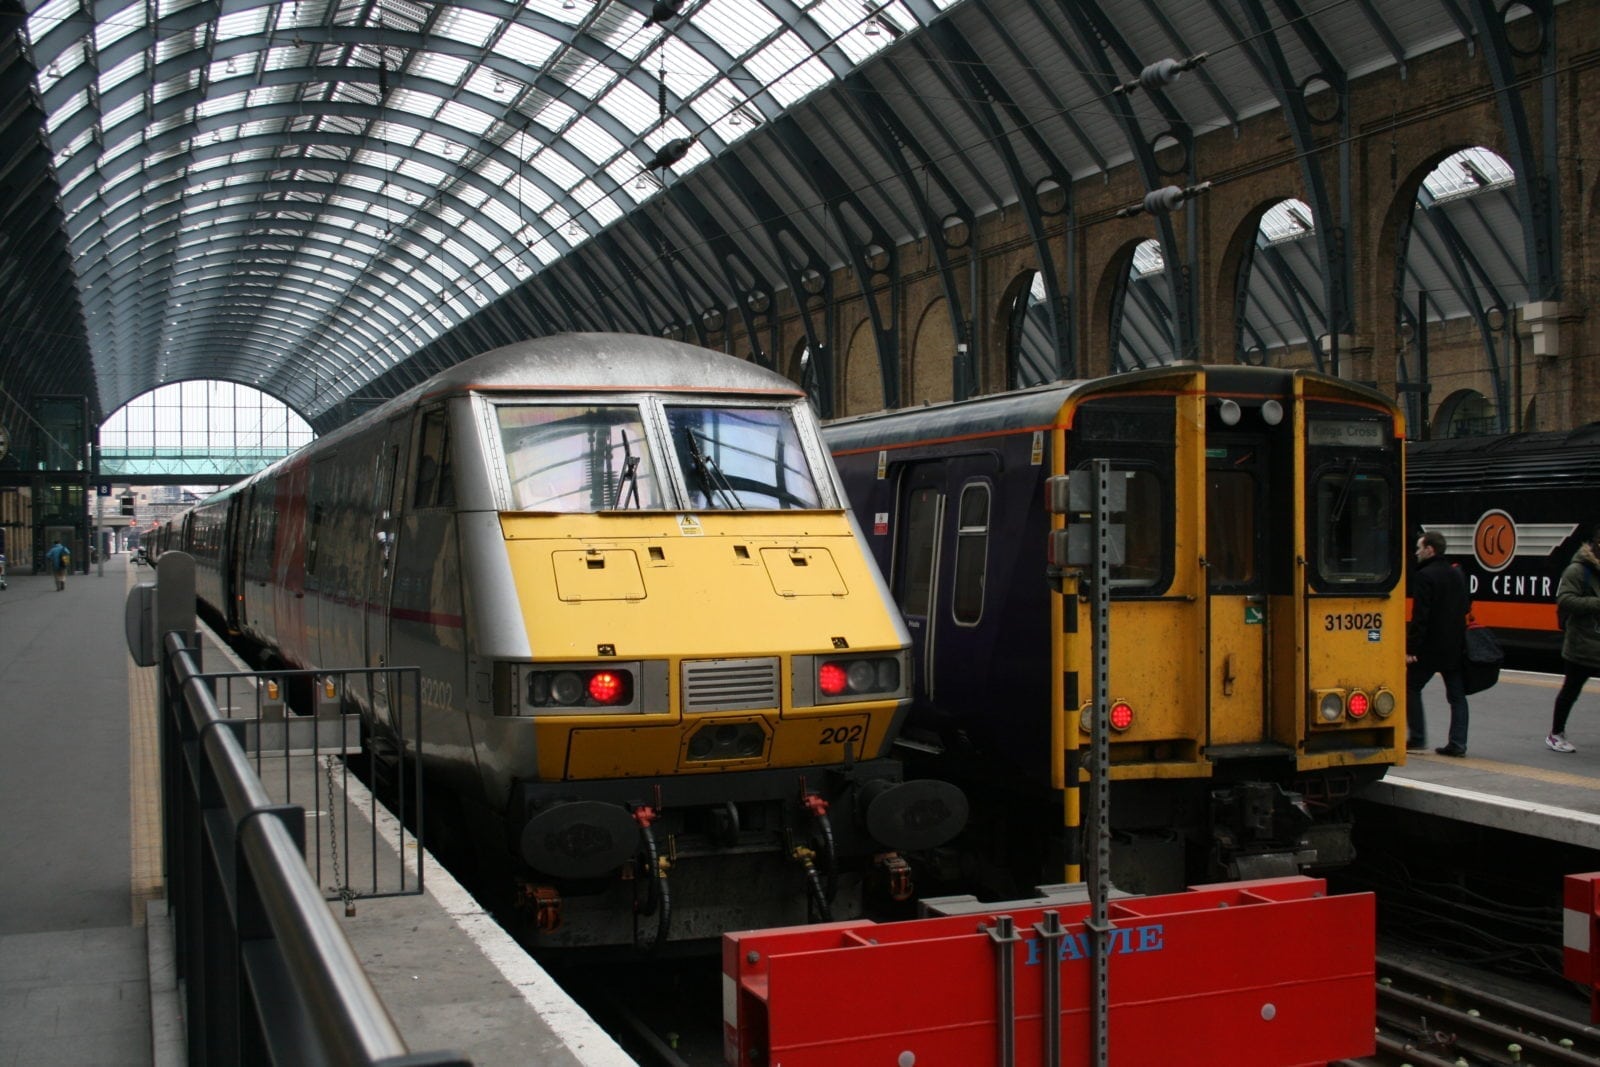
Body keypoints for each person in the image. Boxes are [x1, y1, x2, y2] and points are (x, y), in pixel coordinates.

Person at [1406, 529, 1470, 756]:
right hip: (1454, 646)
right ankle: (1458, 743)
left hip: (1430, 647)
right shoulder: (1457, 573)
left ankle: (1417, 737)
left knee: (1411, 687)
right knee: (1457, 696)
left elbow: (1420, 617)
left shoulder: (1425, 576)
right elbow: (1466, 607)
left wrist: (1411, 648)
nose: (1416, 552)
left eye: (1419, 548)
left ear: (1430, 549)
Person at [1546, 524, 1600, 753]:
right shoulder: (1577, 570)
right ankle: (1555, 734)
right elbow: (1565, 600)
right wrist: (1596, 603)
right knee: (1571, 690)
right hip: (1582, 644)